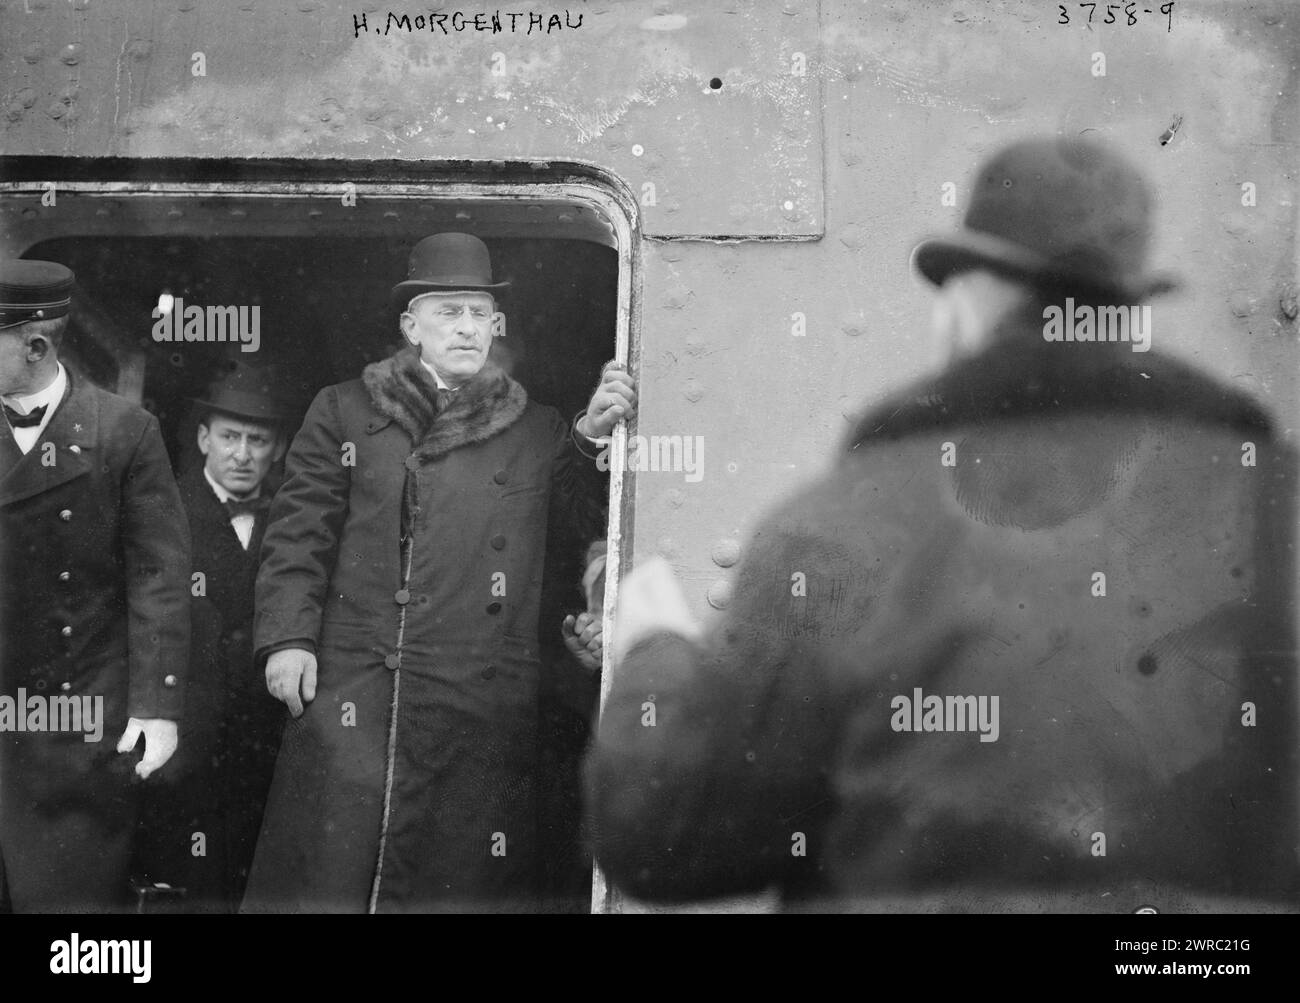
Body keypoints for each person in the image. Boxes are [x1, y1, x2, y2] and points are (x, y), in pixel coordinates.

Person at [585, 137, 1298, 912]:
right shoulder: (1275, 502)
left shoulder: (841, 522)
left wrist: (652, 655)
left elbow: (665, 841)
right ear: (1125, 310)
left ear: (966, 297)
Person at [244, 232, 636, 912]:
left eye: (479, 314)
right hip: (356, 683)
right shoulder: (342, 410)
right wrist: (287, 638)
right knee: (330, 874)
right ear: (410, 326)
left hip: (477, 700)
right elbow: (298, 535)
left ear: (496, 326)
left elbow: (577, 521)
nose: (465, 327)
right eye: (448, 311)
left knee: (454, 883)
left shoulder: (538, 427)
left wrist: (595, 434)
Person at [0, 259, 191, 912]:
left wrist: (157, 706)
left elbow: (158, 576)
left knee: (70, 922)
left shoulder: (124, 432)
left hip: (78, 718)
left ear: (36, 345)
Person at [136, 362, 290, 912]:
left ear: (277, 448)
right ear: (204, 438)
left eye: (258, 439)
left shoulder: (292, 520)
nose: (243, 454)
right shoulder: (161, 508)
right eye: (229, 437)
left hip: (264, 744)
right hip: (185, 739)